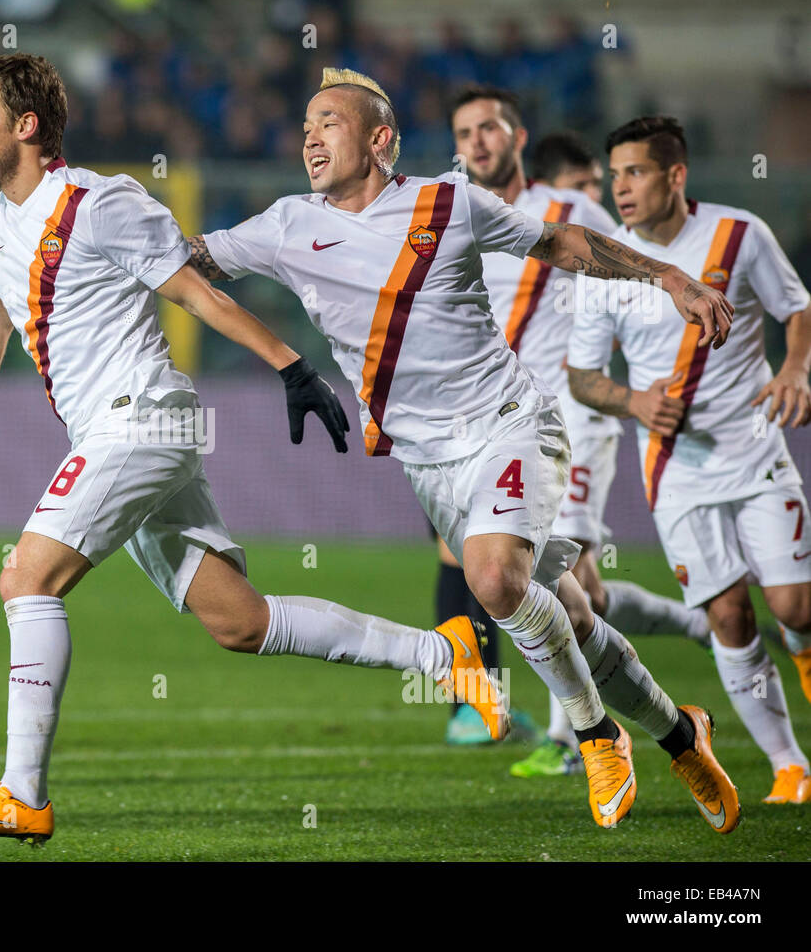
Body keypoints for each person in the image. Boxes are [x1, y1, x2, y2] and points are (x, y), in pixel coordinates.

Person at [0, 53, 504, 845]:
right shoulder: (0, 226)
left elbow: (196, 292)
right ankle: (446, 654)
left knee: (25, 577)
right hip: (117, 433)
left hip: (143, 420)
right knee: (239, 620)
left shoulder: (100, 202)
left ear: (25, 127)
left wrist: (292, 367)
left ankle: (22, 792)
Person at [186, 67, 741, 831]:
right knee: (571, 616)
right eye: (306, 124)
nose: (310, 136)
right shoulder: (285, 224)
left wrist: (669, 275)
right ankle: (681, 732)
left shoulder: (446, 202)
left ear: (379, 139)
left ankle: (594, 731)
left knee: (492, 578)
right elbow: (187, 260)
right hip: (429, 464)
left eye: (329, 122)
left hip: (511, 423)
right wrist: (97, 241)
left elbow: (565, 242)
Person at [450, 87, 710, 779]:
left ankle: (574, 739)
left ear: (516, 136)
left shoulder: (569, 212)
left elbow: (629, 268)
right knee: (574, 588)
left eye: (489, 128)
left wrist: (640, 372)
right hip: (495, 424)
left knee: (544, 574)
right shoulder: (457, 214)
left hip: (573, 417)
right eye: (464, 132)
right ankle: (695, 629)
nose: (477, 142)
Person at [568, 115, 811, 805]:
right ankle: (789, 765)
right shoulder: (605, 266)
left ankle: (800, 641)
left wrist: (795, 370)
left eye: (636, 172)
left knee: (796, 603)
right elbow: (583, 376)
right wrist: (634, 401)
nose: (621, 187)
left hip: (757, 448)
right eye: (614, 174)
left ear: (676, 175)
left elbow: (798, 309)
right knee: (728, 616)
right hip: (674, 470)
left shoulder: (739, 234)